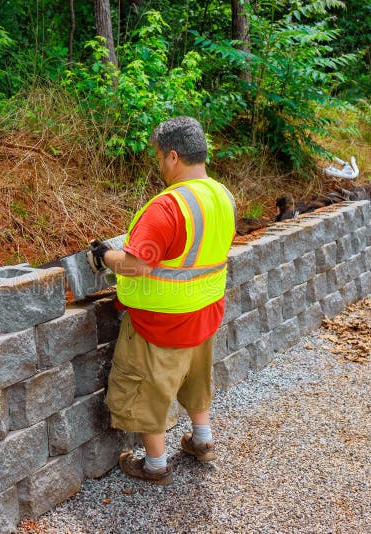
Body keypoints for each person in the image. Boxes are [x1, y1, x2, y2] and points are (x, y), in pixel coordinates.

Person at [87, 116, 236, 485]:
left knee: (145, 390)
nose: (159, 164)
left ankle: (154, 466)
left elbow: (136, 264)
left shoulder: (167, 207)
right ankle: (202, 442)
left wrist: (105, 257)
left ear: (173, 156)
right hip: (204, 312)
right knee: (196, 378)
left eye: (158, 156)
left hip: (161, 321)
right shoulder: (222, 195)